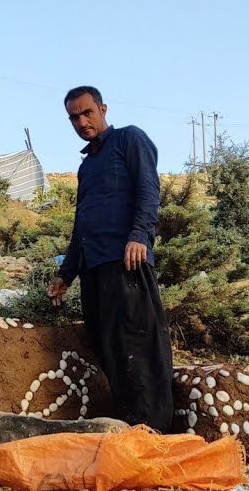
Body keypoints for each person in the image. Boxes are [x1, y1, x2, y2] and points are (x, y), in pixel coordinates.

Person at [47, 85, 174, 432]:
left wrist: (139, 236)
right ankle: (129, 425)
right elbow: (81, 223)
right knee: (108, 347)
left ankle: (154, 429)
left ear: (103, 109)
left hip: (128, 262)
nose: (81, 121)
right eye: (74, 116)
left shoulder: (130, 139)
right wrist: (66, 273)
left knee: (138, 344)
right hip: (94, 270)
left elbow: (149, 188)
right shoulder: (86, 167)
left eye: (87, 112)